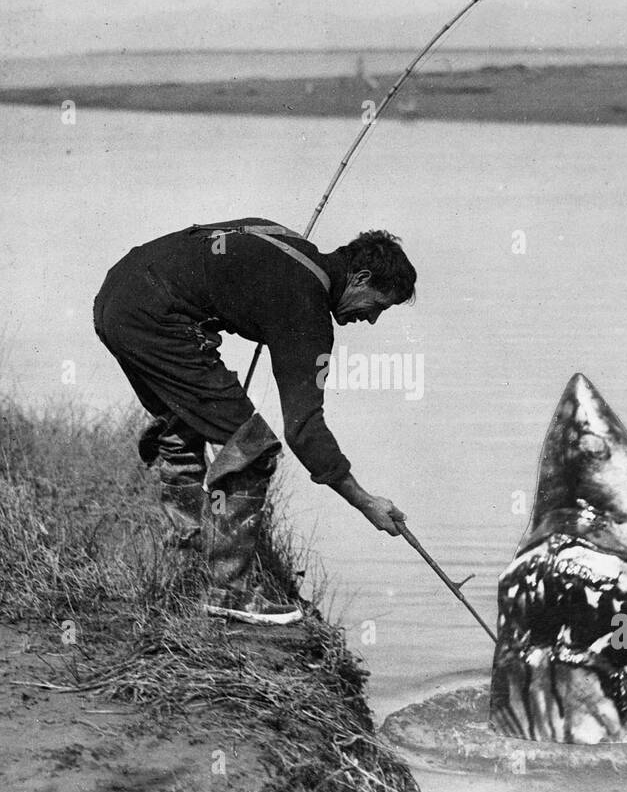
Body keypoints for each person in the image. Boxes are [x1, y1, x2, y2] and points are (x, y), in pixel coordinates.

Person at [92, 218, 416, 625]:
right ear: (362, 277)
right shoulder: (307, 311)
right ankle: (230, 592)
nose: (370, 320)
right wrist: (364, 501)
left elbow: (223, 258)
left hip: (116, 296)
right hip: (154, 320)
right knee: (253, 447)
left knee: (185, 424)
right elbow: (304, 430)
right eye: (377, 306)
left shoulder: (288, 242)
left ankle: (191, 555)